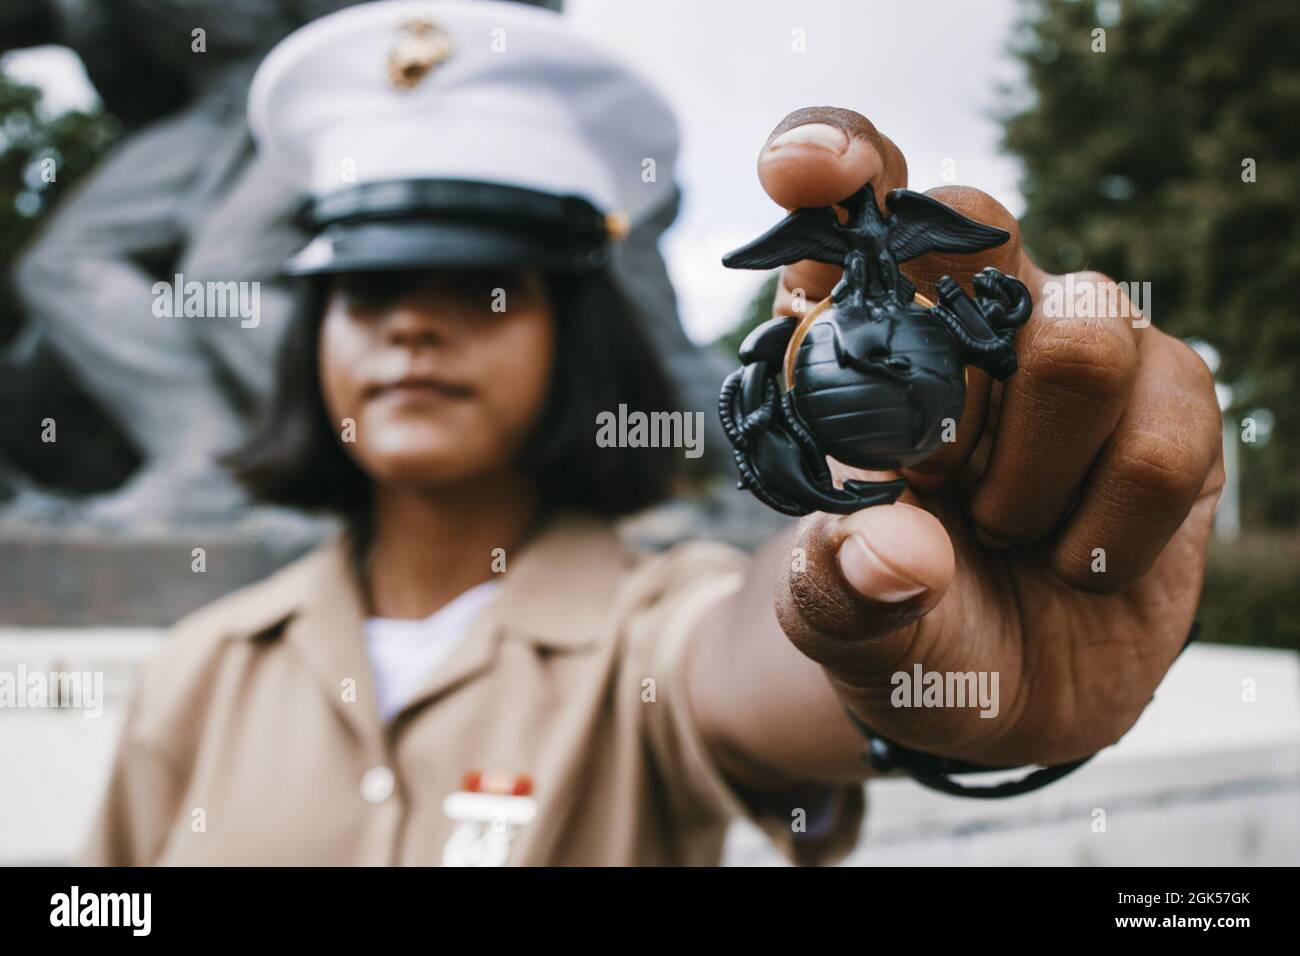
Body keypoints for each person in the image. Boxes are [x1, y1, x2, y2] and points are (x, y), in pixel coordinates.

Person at [83, 0, 1223, 866]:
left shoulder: (655, 629)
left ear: (573, 334)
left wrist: (930, 630)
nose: (412, 327)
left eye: (479, 285)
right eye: (365, 288)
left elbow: (757, 658)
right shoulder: (199, 670)